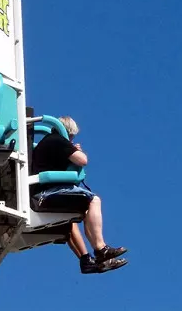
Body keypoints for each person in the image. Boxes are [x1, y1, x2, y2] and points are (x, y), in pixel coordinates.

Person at [31, 115, 127, 273]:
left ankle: (86, 260)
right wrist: (75, 150)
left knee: (71, 218)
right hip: (45, 194)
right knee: (93, 200)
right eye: (71, 136)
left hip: (39, 194)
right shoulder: (57, 140)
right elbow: (82, 160)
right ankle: (100, 248)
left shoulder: (48, 142)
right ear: (68, 132)